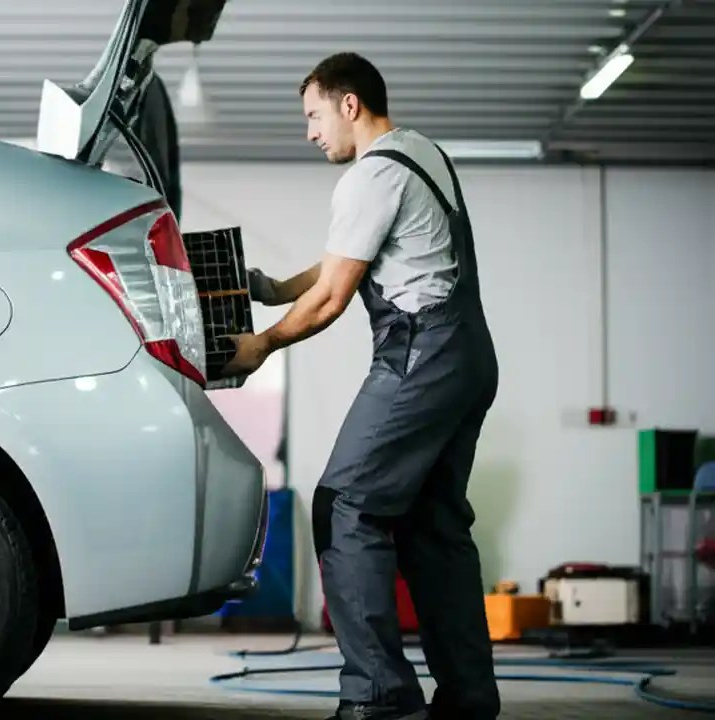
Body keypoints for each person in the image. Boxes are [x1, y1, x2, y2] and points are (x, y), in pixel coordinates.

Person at [222, 52, 502, 720]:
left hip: (419, 352)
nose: (311, 132)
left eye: (315, 116)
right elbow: (345, 256)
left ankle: (379, 693)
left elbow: (332, 299)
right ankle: (468, 698)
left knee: (346, 504)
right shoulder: (418, 154)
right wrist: (269, 289)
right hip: (467, 356)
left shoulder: (369, 176)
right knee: (434, 528)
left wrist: (262, 344)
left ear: (350, 104)